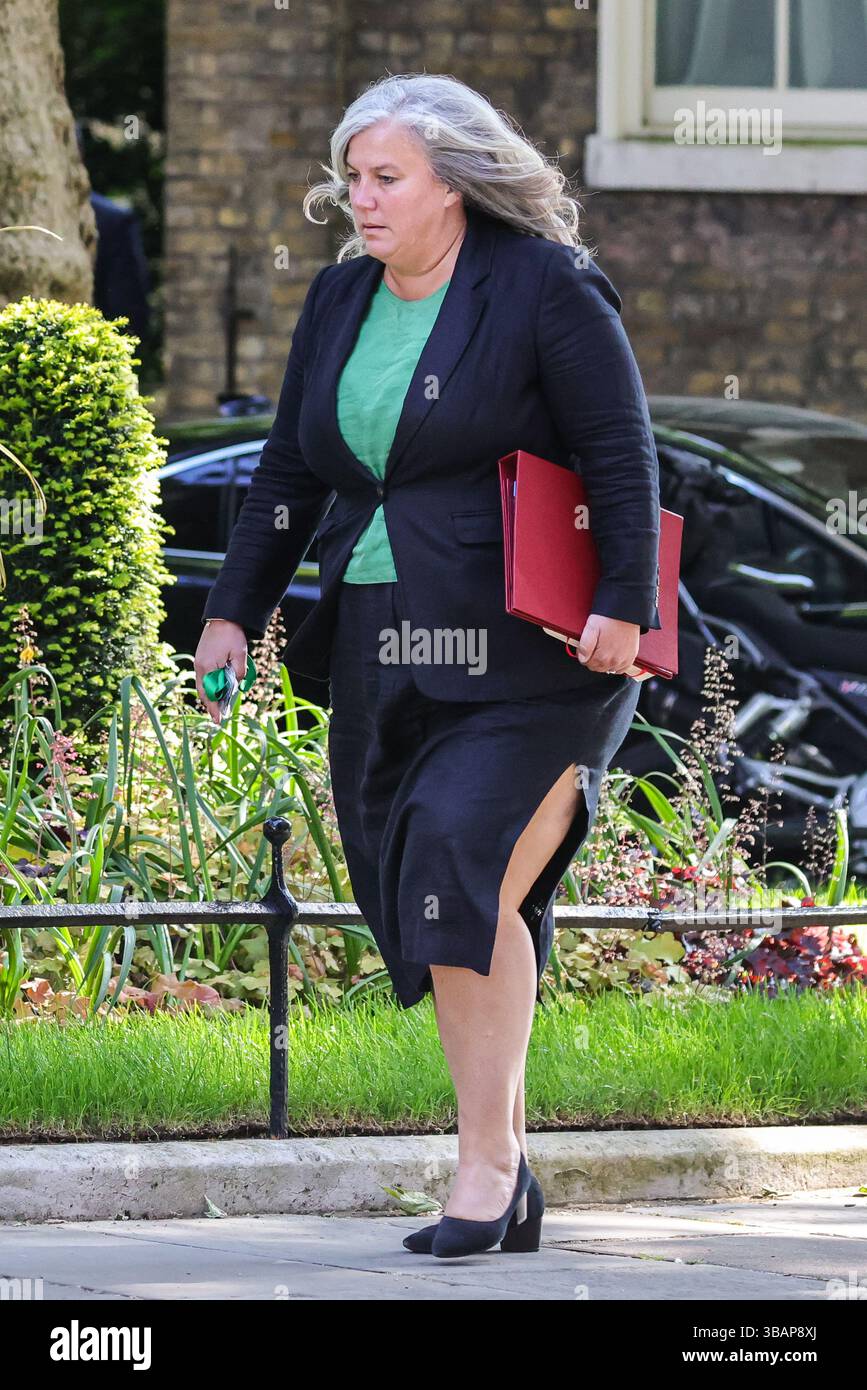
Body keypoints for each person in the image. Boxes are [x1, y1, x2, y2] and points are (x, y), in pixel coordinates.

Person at [196, 73, 661, 1259]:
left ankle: (485, 1169)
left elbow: (620, 452)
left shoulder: (542, 286)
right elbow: (291, 476)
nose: (360, 199)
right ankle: (505, 1167)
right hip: (380, 632)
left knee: (461, 860)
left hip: (541, 653)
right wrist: (233, 613)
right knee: (437, 890)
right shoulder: (342, 298)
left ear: (452, 184)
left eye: (385, 177)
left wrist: (622, 601)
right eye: (352, 178)